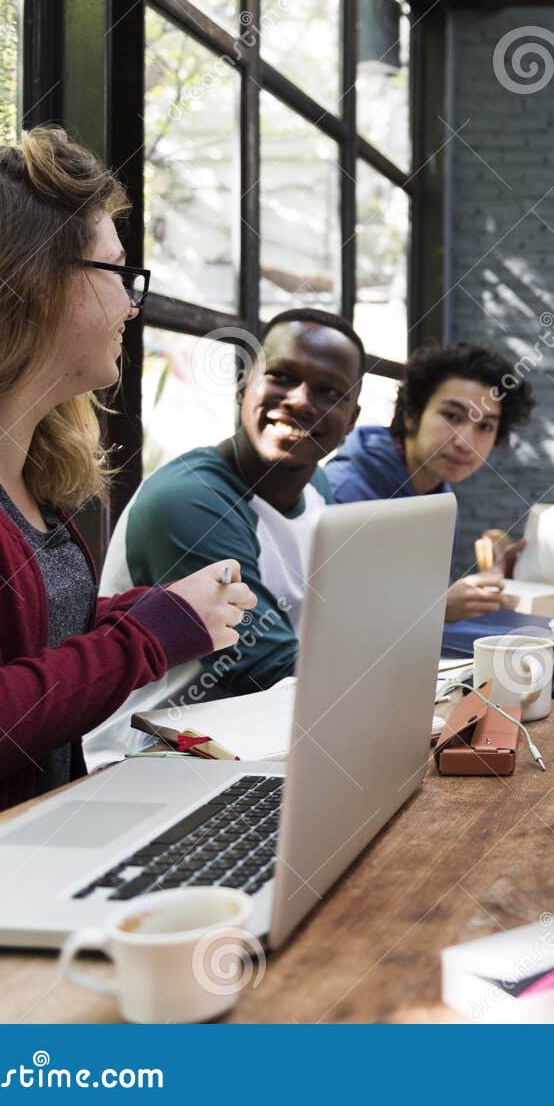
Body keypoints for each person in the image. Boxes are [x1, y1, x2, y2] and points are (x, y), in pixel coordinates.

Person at [0, 131, 255, 856]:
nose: (131, 303)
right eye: (115, 271)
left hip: (27, 862)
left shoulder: (27, 458)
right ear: (31, 281)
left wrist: (152, 611)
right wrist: (145, 639)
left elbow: (11, 638)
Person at [86, 308, 363, 766]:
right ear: (242, 386)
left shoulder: (319, 490)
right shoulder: (188, 501)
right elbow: (263, 667)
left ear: (352, 418)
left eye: (329, 392)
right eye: (281, 376)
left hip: (269, 736)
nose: (300, 401)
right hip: (153, 756)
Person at [327, 342, 535, 622]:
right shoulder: (345, 491)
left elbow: (413, 595)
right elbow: (333, 617)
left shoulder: (438, 492)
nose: (465, 443)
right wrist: (435, 609)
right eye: (452, 416)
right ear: (411, 415)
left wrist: (496, 578)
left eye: (485, 426)